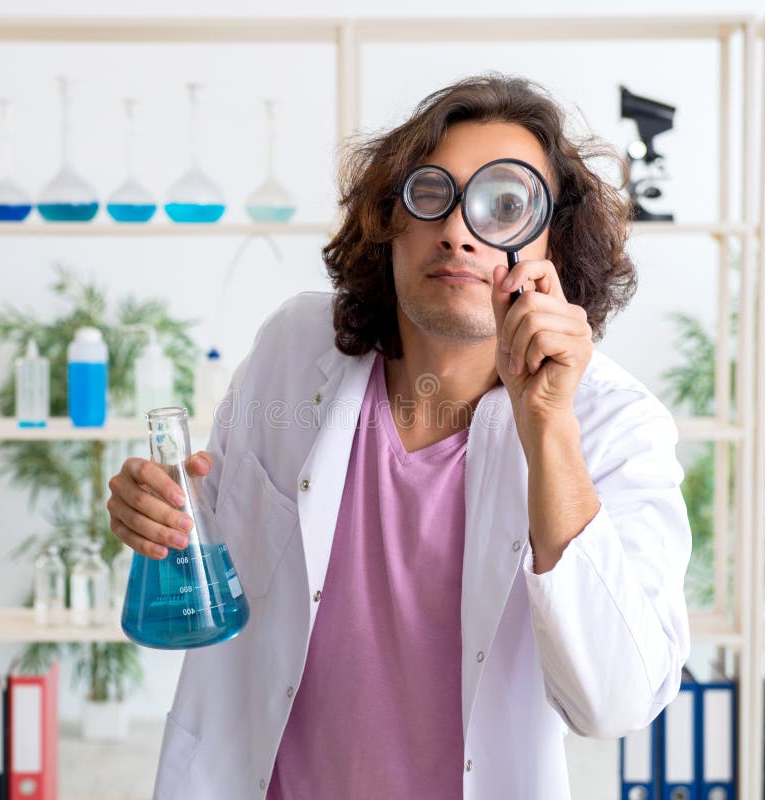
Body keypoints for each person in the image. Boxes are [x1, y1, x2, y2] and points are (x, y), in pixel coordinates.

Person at [106, 73, 691, 800]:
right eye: (430, 195)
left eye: (503, 206)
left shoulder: (613, 425)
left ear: (554, 240)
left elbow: (616, 702)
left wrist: (548, 429)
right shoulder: (294, 347)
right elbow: (215, 547)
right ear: (388, 222)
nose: (456, 230)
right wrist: (159, 513)